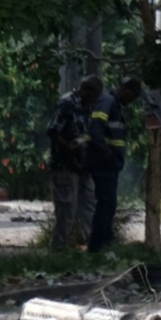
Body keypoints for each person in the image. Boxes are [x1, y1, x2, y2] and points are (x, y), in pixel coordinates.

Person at [86, 76, 142, 253]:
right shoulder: (107, 102)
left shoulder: (114, 104)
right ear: (125, 90)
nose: (131, 101)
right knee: (106, 202)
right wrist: (108, 154)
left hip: (110, 164)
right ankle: (98, 246)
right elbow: (95, 129)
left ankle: (106, 242)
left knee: (109, 203)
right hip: (103, 164)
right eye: (132, 96)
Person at [47, 75, 103, 251]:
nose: (95, 99)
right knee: (66, 208)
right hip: (65, 166)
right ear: (85, 90)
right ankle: (59, 248)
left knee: (89, 206)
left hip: (84, 166)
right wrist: (69, 148)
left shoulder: (90, 106)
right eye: (93, 95)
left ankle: (94, 248)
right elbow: (53, 130)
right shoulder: (67, 103)